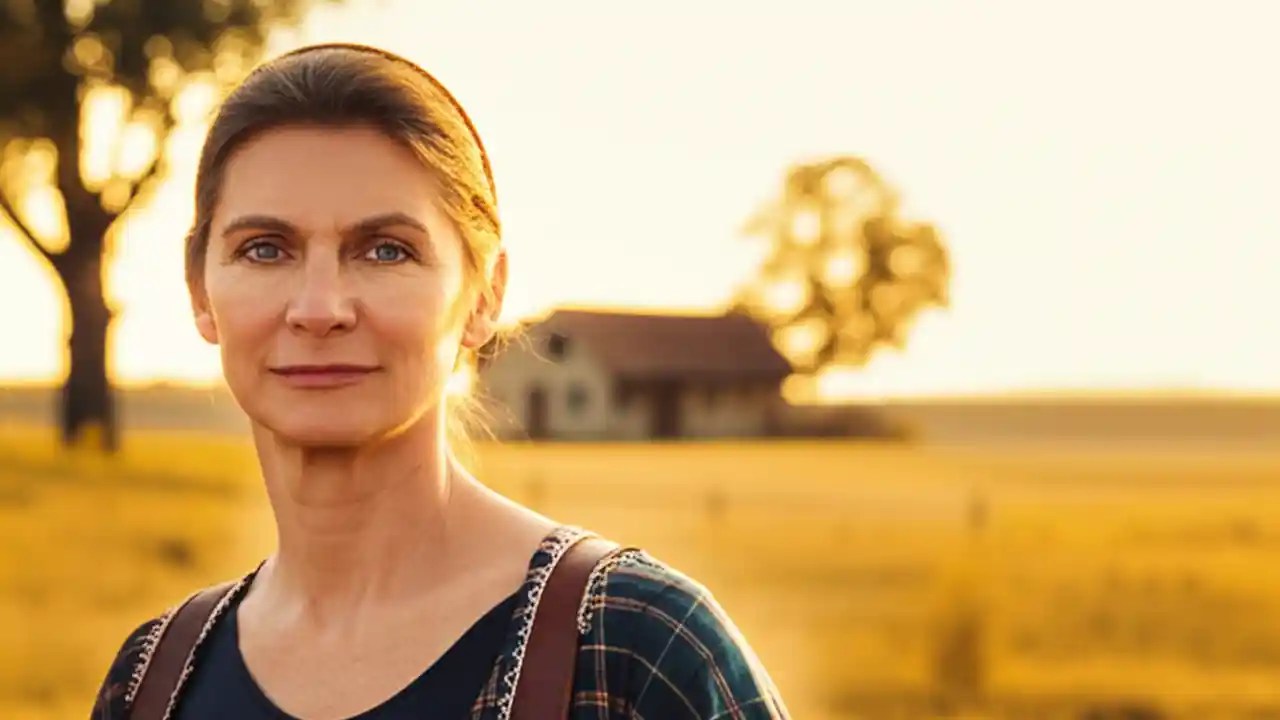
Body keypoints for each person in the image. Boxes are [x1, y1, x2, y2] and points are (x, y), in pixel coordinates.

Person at [89, 43, 790, 719]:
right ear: (199, 290)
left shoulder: (635, 648)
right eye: (265, 249)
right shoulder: (153, 683)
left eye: (385, 250)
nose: (319, 309)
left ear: (484, 294)